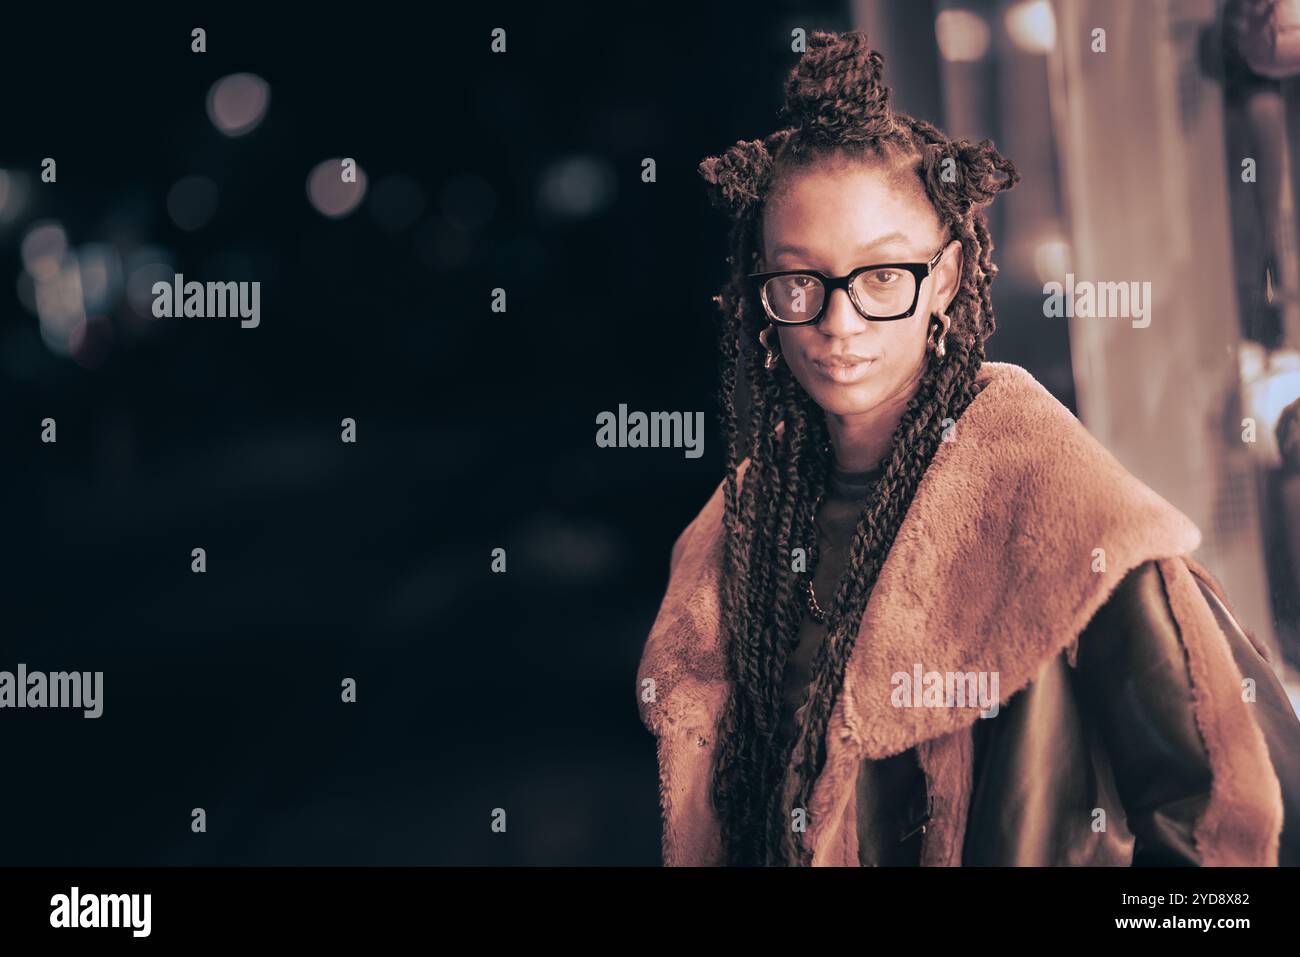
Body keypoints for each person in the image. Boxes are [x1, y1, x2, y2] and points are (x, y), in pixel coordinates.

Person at [634, 30, 1300, 867]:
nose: (839, 325)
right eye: (800, 281)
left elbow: (1232, 820)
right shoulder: (739, 526)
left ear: (945, 277)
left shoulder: (1058, 500)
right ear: (762, 287)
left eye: (882, 277)